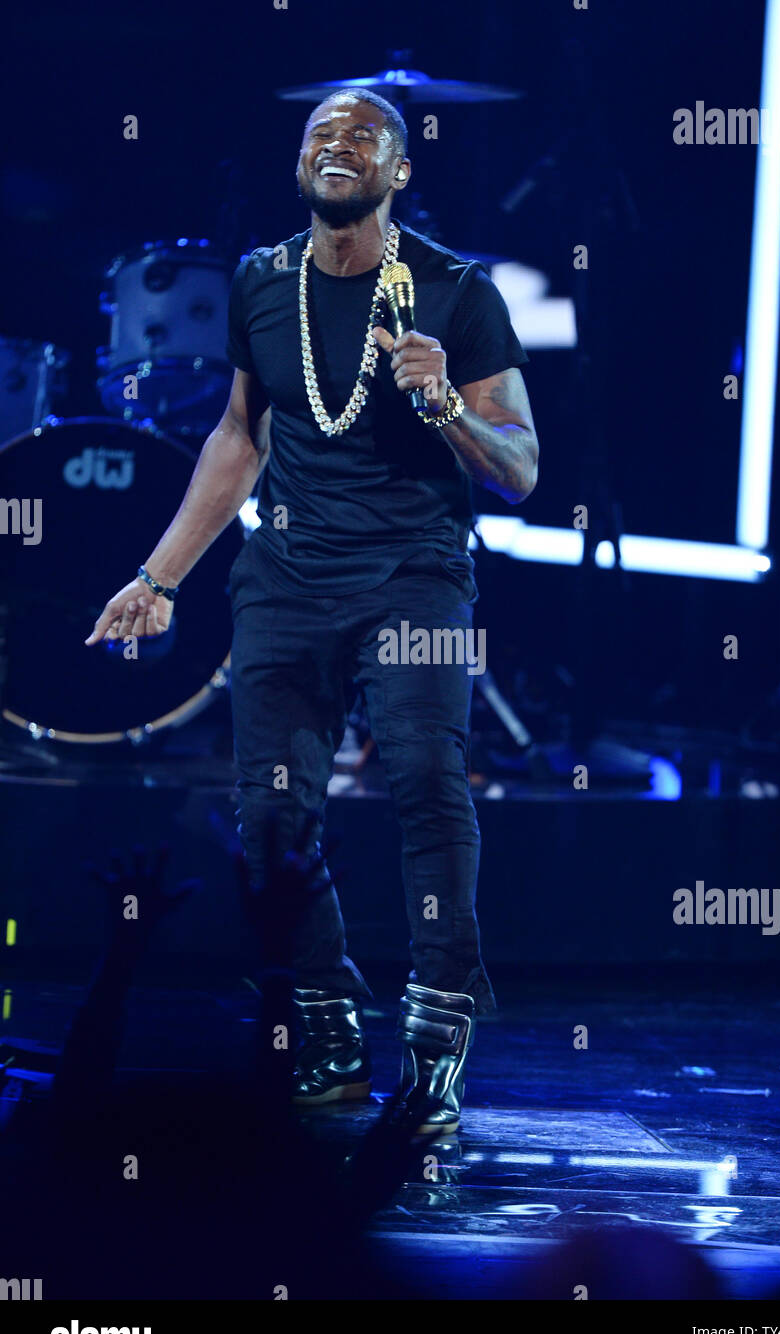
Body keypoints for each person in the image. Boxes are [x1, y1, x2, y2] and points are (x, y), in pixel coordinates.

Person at [85, 87, 538, 1133]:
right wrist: (157, 579)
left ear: (398, 172)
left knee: (427, 778)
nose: (337, 147)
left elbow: (519, 469)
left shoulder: (456, 292)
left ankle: (436, 1031)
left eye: (361, 137)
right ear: (302, 165)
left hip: (415, 576)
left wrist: (449, 411)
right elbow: (238, 438)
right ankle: (327, 1019)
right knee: (272, 815)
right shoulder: (259, 279)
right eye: (319, 135)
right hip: (286, 577)